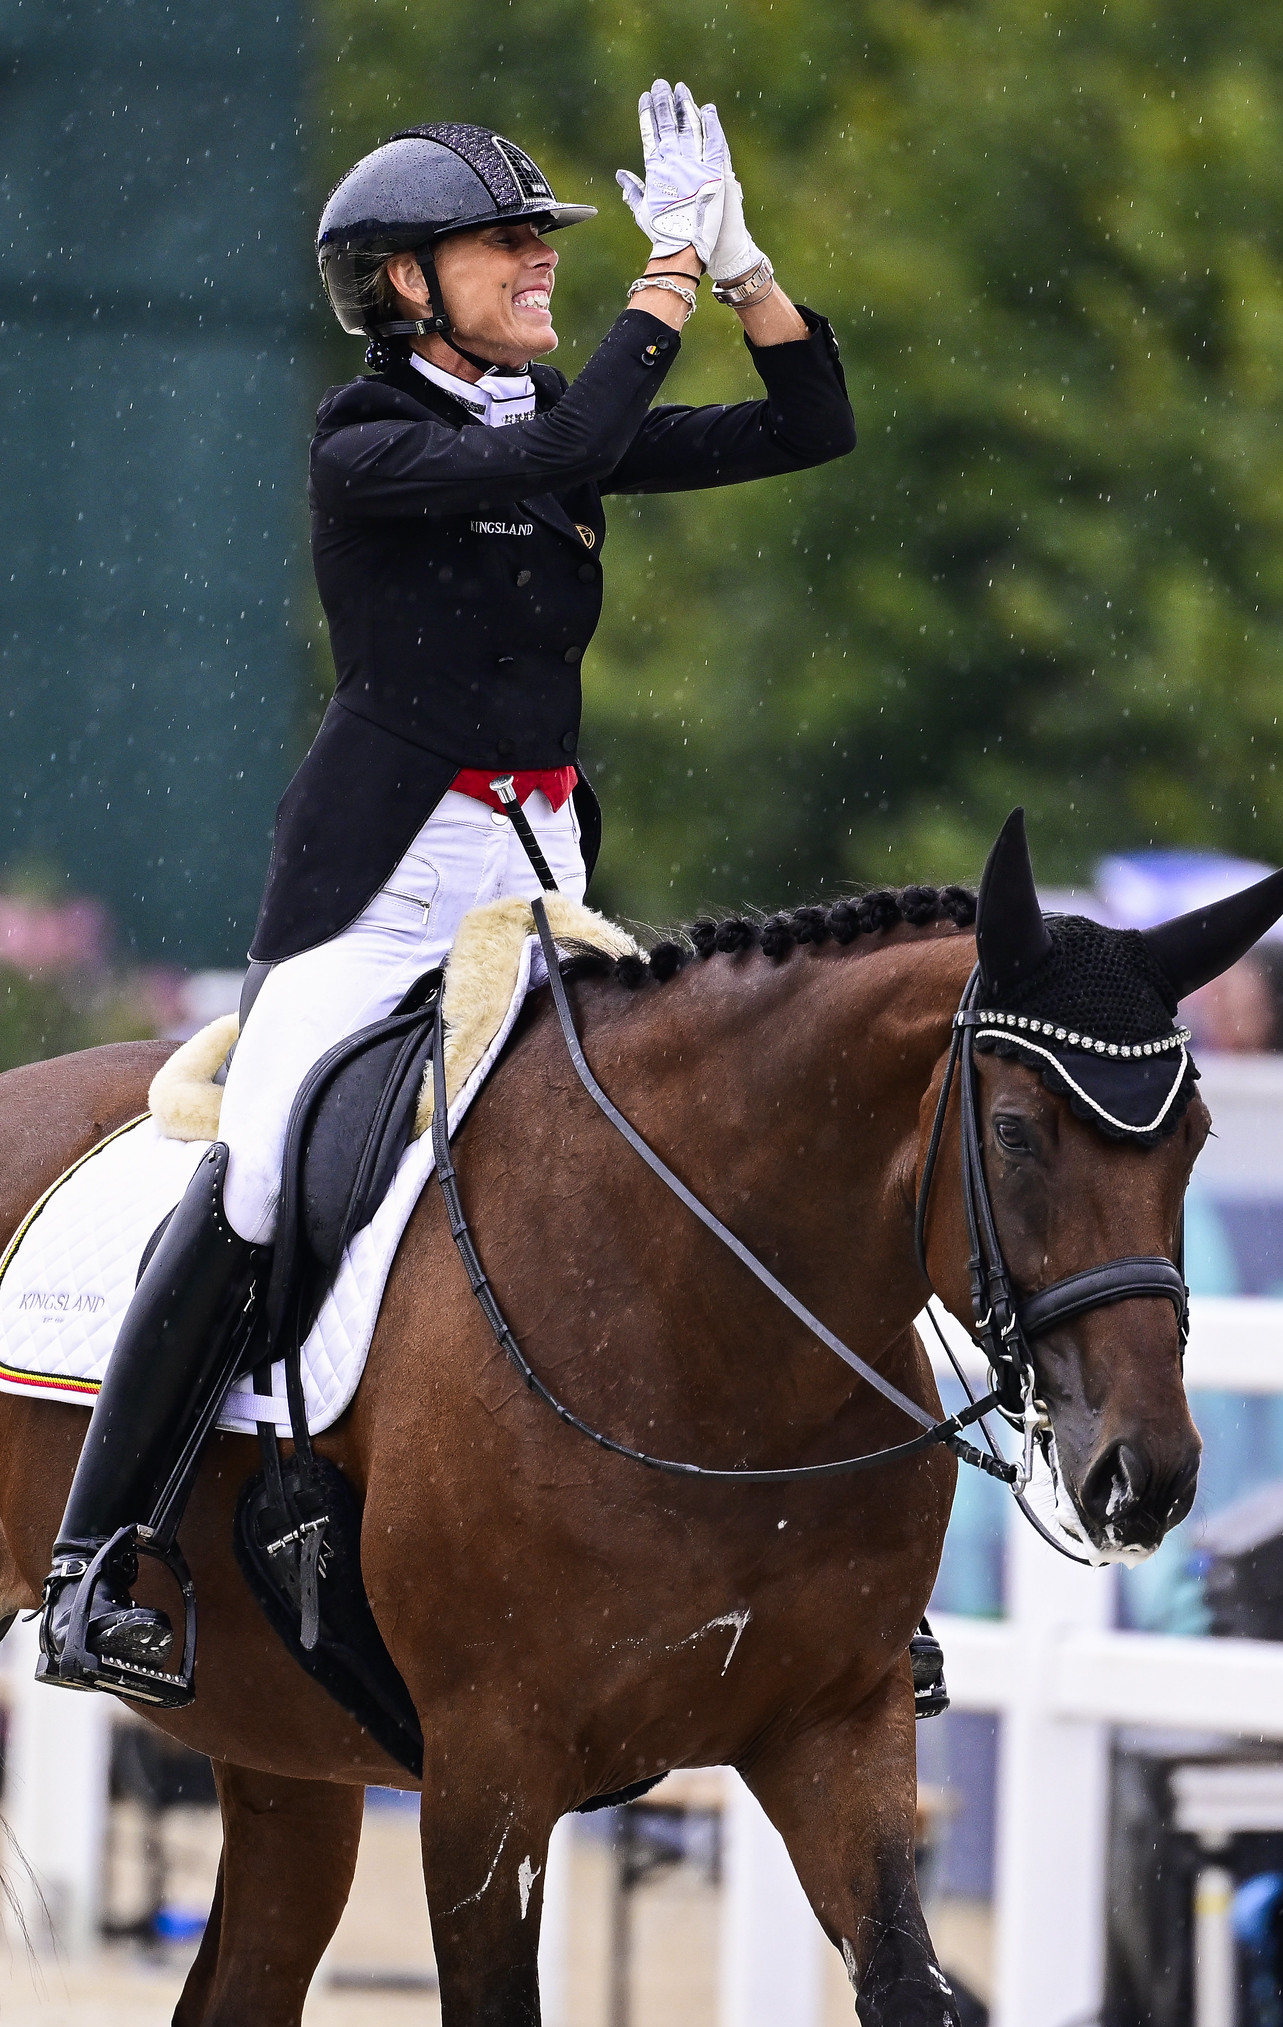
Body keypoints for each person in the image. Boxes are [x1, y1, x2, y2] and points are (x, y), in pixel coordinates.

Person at [38, 83, 857, 1694]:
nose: (542, 266)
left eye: (548, 246)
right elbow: (574, 435)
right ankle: (96, 1553)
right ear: (405, 281)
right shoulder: (370, 439)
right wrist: (661, 283)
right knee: (262, 1173)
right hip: (376, 899)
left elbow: (805, 429)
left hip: (538, 880)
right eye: (508, 246)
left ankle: (792, 1568)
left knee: (674, 1149)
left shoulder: (543, 433)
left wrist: (749, 273)